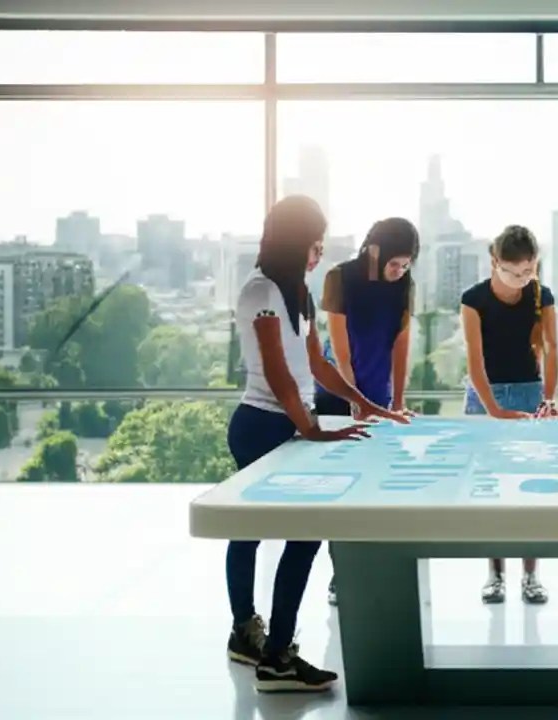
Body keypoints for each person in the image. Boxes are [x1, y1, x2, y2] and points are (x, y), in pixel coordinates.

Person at [225, 195, 408, 693]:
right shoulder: (260, 291)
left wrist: (365, 403)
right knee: (276, 533)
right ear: (293, 243)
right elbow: (278, 373)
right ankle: (267, 650)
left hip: (284, 423)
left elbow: (316, 365)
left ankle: (260, 643)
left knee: (284, 534)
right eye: (314, 244)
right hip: (262, 424)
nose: (319, 253)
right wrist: (310, 428)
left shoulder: (297, 293)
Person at [316, 217, 419, 606]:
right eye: (395, 263)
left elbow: (400, 347)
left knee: (380, 484)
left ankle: (380, 567)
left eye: (406, 265)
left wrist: (397, 401)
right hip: (338, 396)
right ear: (374, 251)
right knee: (342, 488)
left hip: (379, 397)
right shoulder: (339, 278)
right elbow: (341, 352)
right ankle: (341, 575)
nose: (400, 271)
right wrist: (355, 401)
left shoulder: (404, 286)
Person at [461, 225, 558, 605]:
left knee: (530, 490)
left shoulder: (541, 295)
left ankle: (531, 576)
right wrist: (494, 410)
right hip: (484, 396)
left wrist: (548, 400)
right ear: (494, 262)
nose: (521, 279)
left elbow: (552, 349)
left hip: (528, 392)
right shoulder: (473, 299)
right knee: (490, 491)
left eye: (528, 271)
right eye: (512, 271)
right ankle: (495, 575)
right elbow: (474, 361)